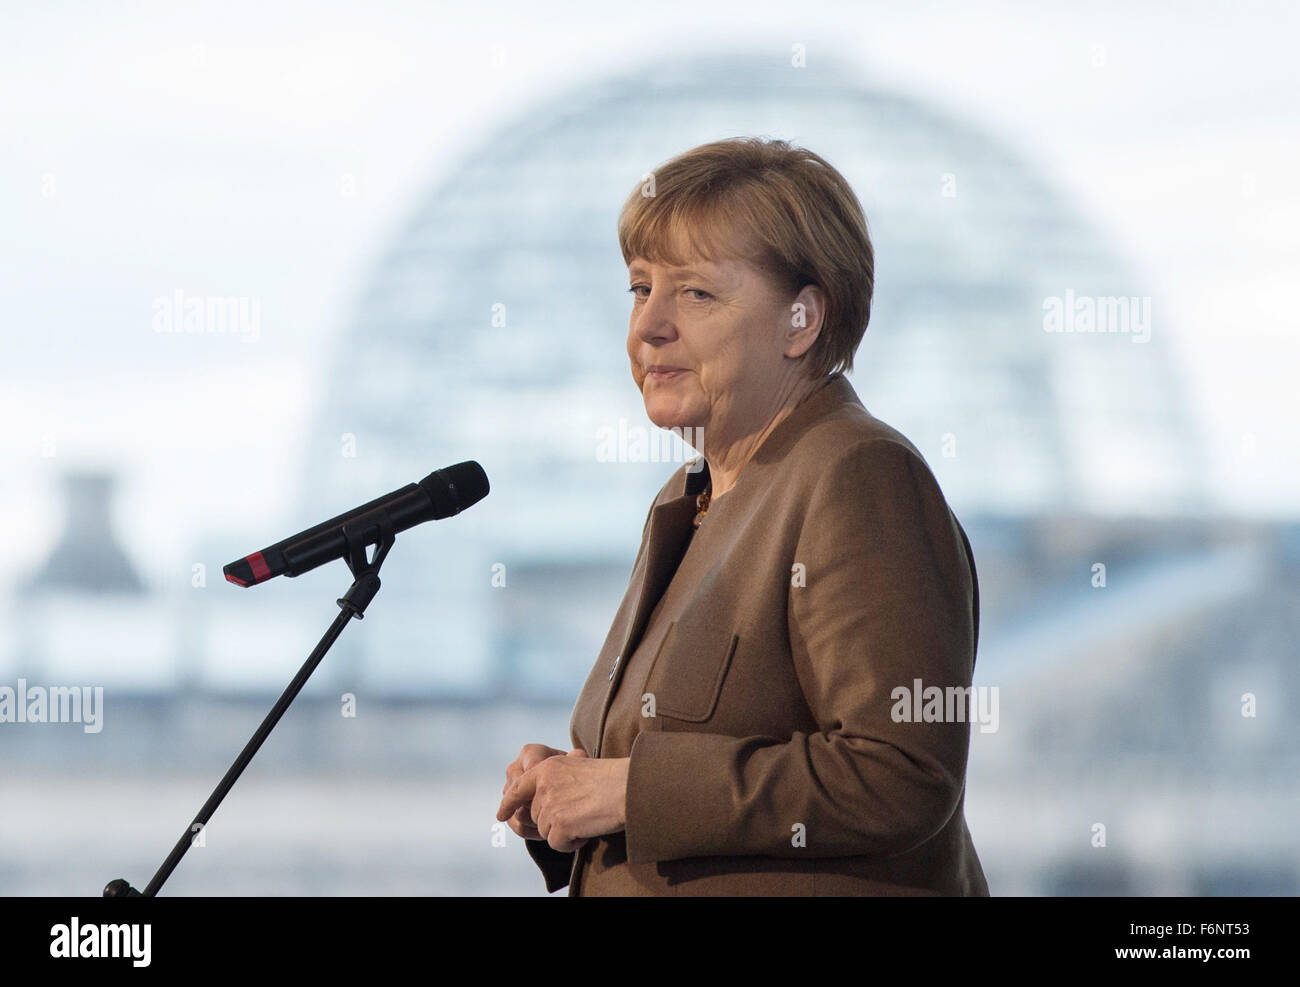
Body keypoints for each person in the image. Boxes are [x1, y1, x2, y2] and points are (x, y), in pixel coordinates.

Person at [496, 136, 989, 895]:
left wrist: (628, 790)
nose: (649, 325)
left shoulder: (857, 474)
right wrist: (574, 789)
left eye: (694, 293)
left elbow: (899, 775)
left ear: (801, 320)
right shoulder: (688, 500)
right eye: (638, 288)